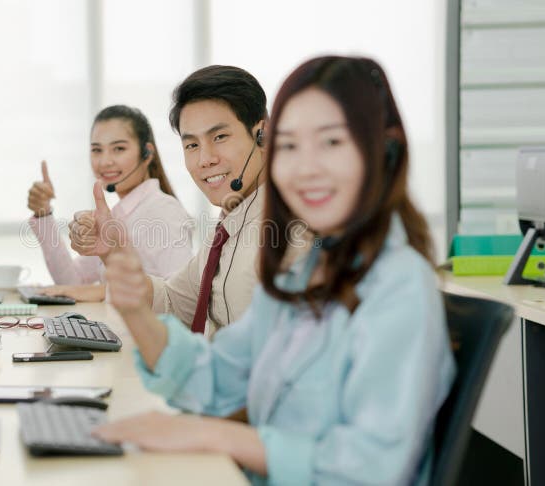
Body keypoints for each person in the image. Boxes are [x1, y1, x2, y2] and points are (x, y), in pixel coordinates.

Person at [93, 56, 457, 485]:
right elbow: (214, 377)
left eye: (331, 143)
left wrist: (211, 435)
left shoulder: (399, 285)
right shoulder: (298, 277)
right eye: (290, 146)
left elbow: (369, 468)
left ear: (384, 148)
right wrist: (133, 302)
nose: (305, 167)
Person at [70, 66, 268, 335]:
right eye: (192, 145)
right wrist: (113, 255)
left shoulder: (286, 232)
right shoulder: (228, 227)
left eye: (219, 137)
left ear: (262, 135)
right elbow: (174, 302)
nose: (205, 159)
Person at [27, 105, 192, 302]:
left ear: (147, 153)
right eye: (97, 150)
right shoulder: (119, 214)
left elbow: (181, 299)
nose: (105, 161)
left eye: (119, 149)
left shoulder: (163, 210)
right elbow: (72, 282)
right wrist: (43, 214)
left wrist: (98, 291)